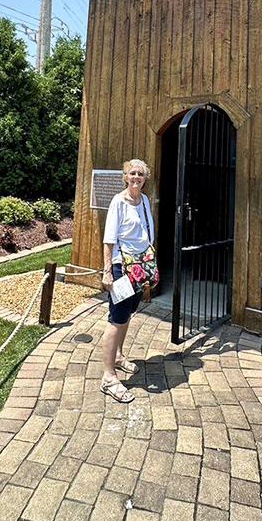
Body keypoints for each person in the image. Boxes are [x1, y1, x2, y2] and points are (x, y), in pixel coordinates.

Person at [100, 158, 155, 403]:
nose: (136, 177)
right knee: (117, 317)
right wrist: (108, 271)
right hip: (122, 267)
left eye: (140, 174)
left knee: (130, 312)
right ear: (125, 176)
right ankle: (108, 377)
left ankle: (119, 356)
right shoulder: (118, 202)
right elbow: (109, 239)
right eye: (132, 173)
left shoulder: (144, 200)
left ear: (145, 178)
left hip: (140, 266)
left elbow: (146, 232)